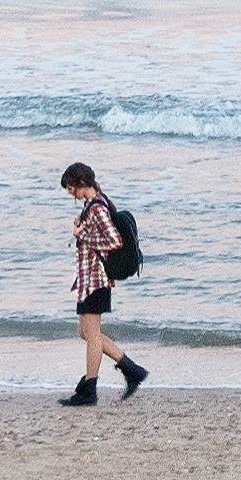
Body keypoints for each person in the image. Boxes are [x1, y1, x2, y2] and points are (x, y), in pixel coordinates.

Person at [58, 161, 149, 405]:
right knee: (85, 332)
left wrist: (81, 234)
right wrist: (82, 226)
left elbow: (114, 241)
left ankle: (90, 389)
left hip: (96, 279)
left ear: (81, 183)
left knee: (92, 334)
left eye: (70, 188)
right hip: (88, 279)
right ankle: (132, 370)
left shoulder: (97, 207)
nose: (69, 194)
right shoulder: (94, 205)